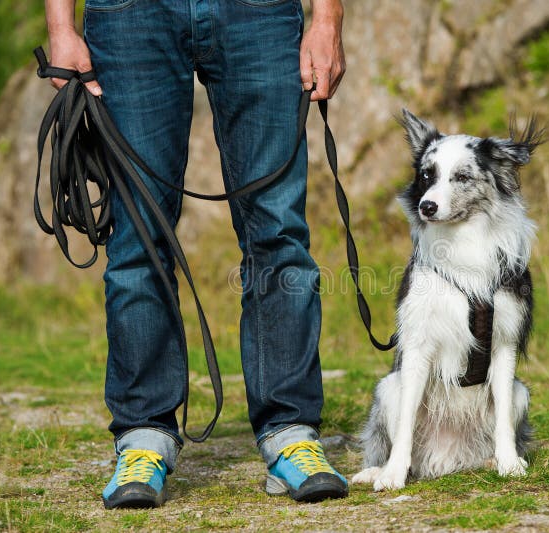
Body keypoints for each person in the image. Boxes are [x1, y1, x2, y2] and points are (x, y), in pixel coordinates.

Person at [44, 0, 347, 508]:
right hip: (130, 15)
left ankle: (290, 433)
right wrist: (60, 26)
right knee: (138, 239)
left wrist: (327, 18)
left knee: (278, 232)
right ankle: (144, 438)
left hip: (259, 13)